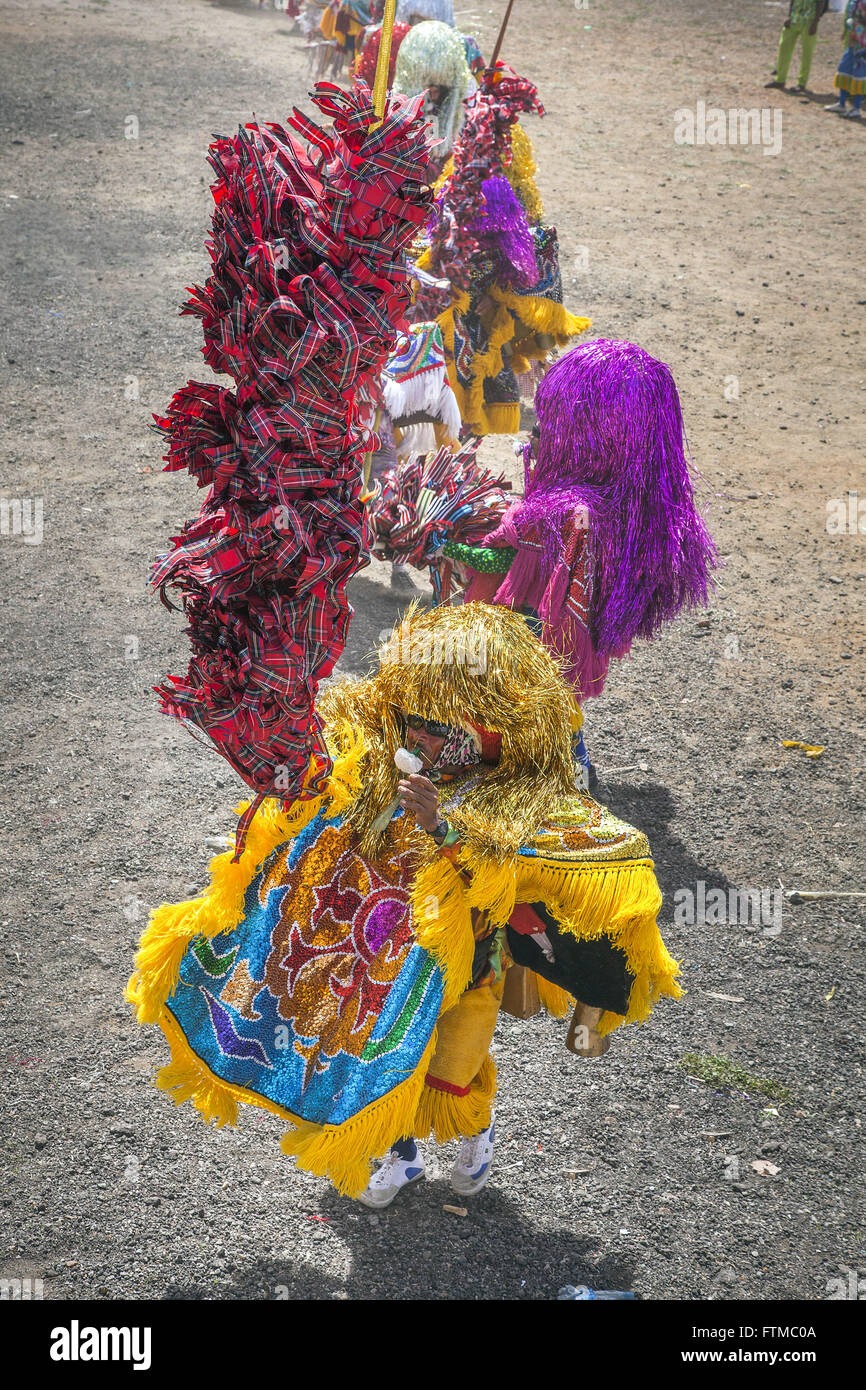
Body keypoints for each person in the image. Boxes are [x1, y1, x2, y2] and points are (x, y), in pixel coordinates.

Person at [127, 603, 681, 1203]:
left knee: (452, 1077)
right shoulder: (379, 755)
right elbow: (314, 752)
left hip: (467, 972)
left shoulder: (525, 797)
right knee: (378, 1065)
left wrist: (441, 828)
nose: (417, 736)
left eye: (437, 727)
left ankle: (475, 1131)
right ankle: (400, 1153)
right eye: (412, 719)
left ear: (485, 732)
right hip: (382, 969)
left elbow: (520, 876)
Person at [439, 339, 718, 785]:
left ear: (590, 435)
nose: (538, 435)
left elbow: (498, 556)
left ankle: (553, 773)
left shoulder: (565, 513)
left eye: (549, 424)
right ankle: (569, 764)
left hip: (539, 629)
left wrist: (446, 545)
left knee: (528, 694)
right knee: (556, 699)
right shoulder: (634, 509)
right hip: (574, 637)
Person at [766, 1, 828, 92]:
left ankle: (801, 83)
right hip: (794, 19)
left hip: (809, 21)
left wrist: (815, 22)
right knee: (784, 48)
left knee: (807, 53)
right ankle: (780, 80)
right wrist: (789, 17)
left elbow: (821, 2)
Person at [825, 0, 866, 115]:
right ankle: (841, 103)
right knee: (844, 69)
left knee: (859, 74)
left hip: (862, 43)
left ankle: (856, 108)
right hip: (853, 41)